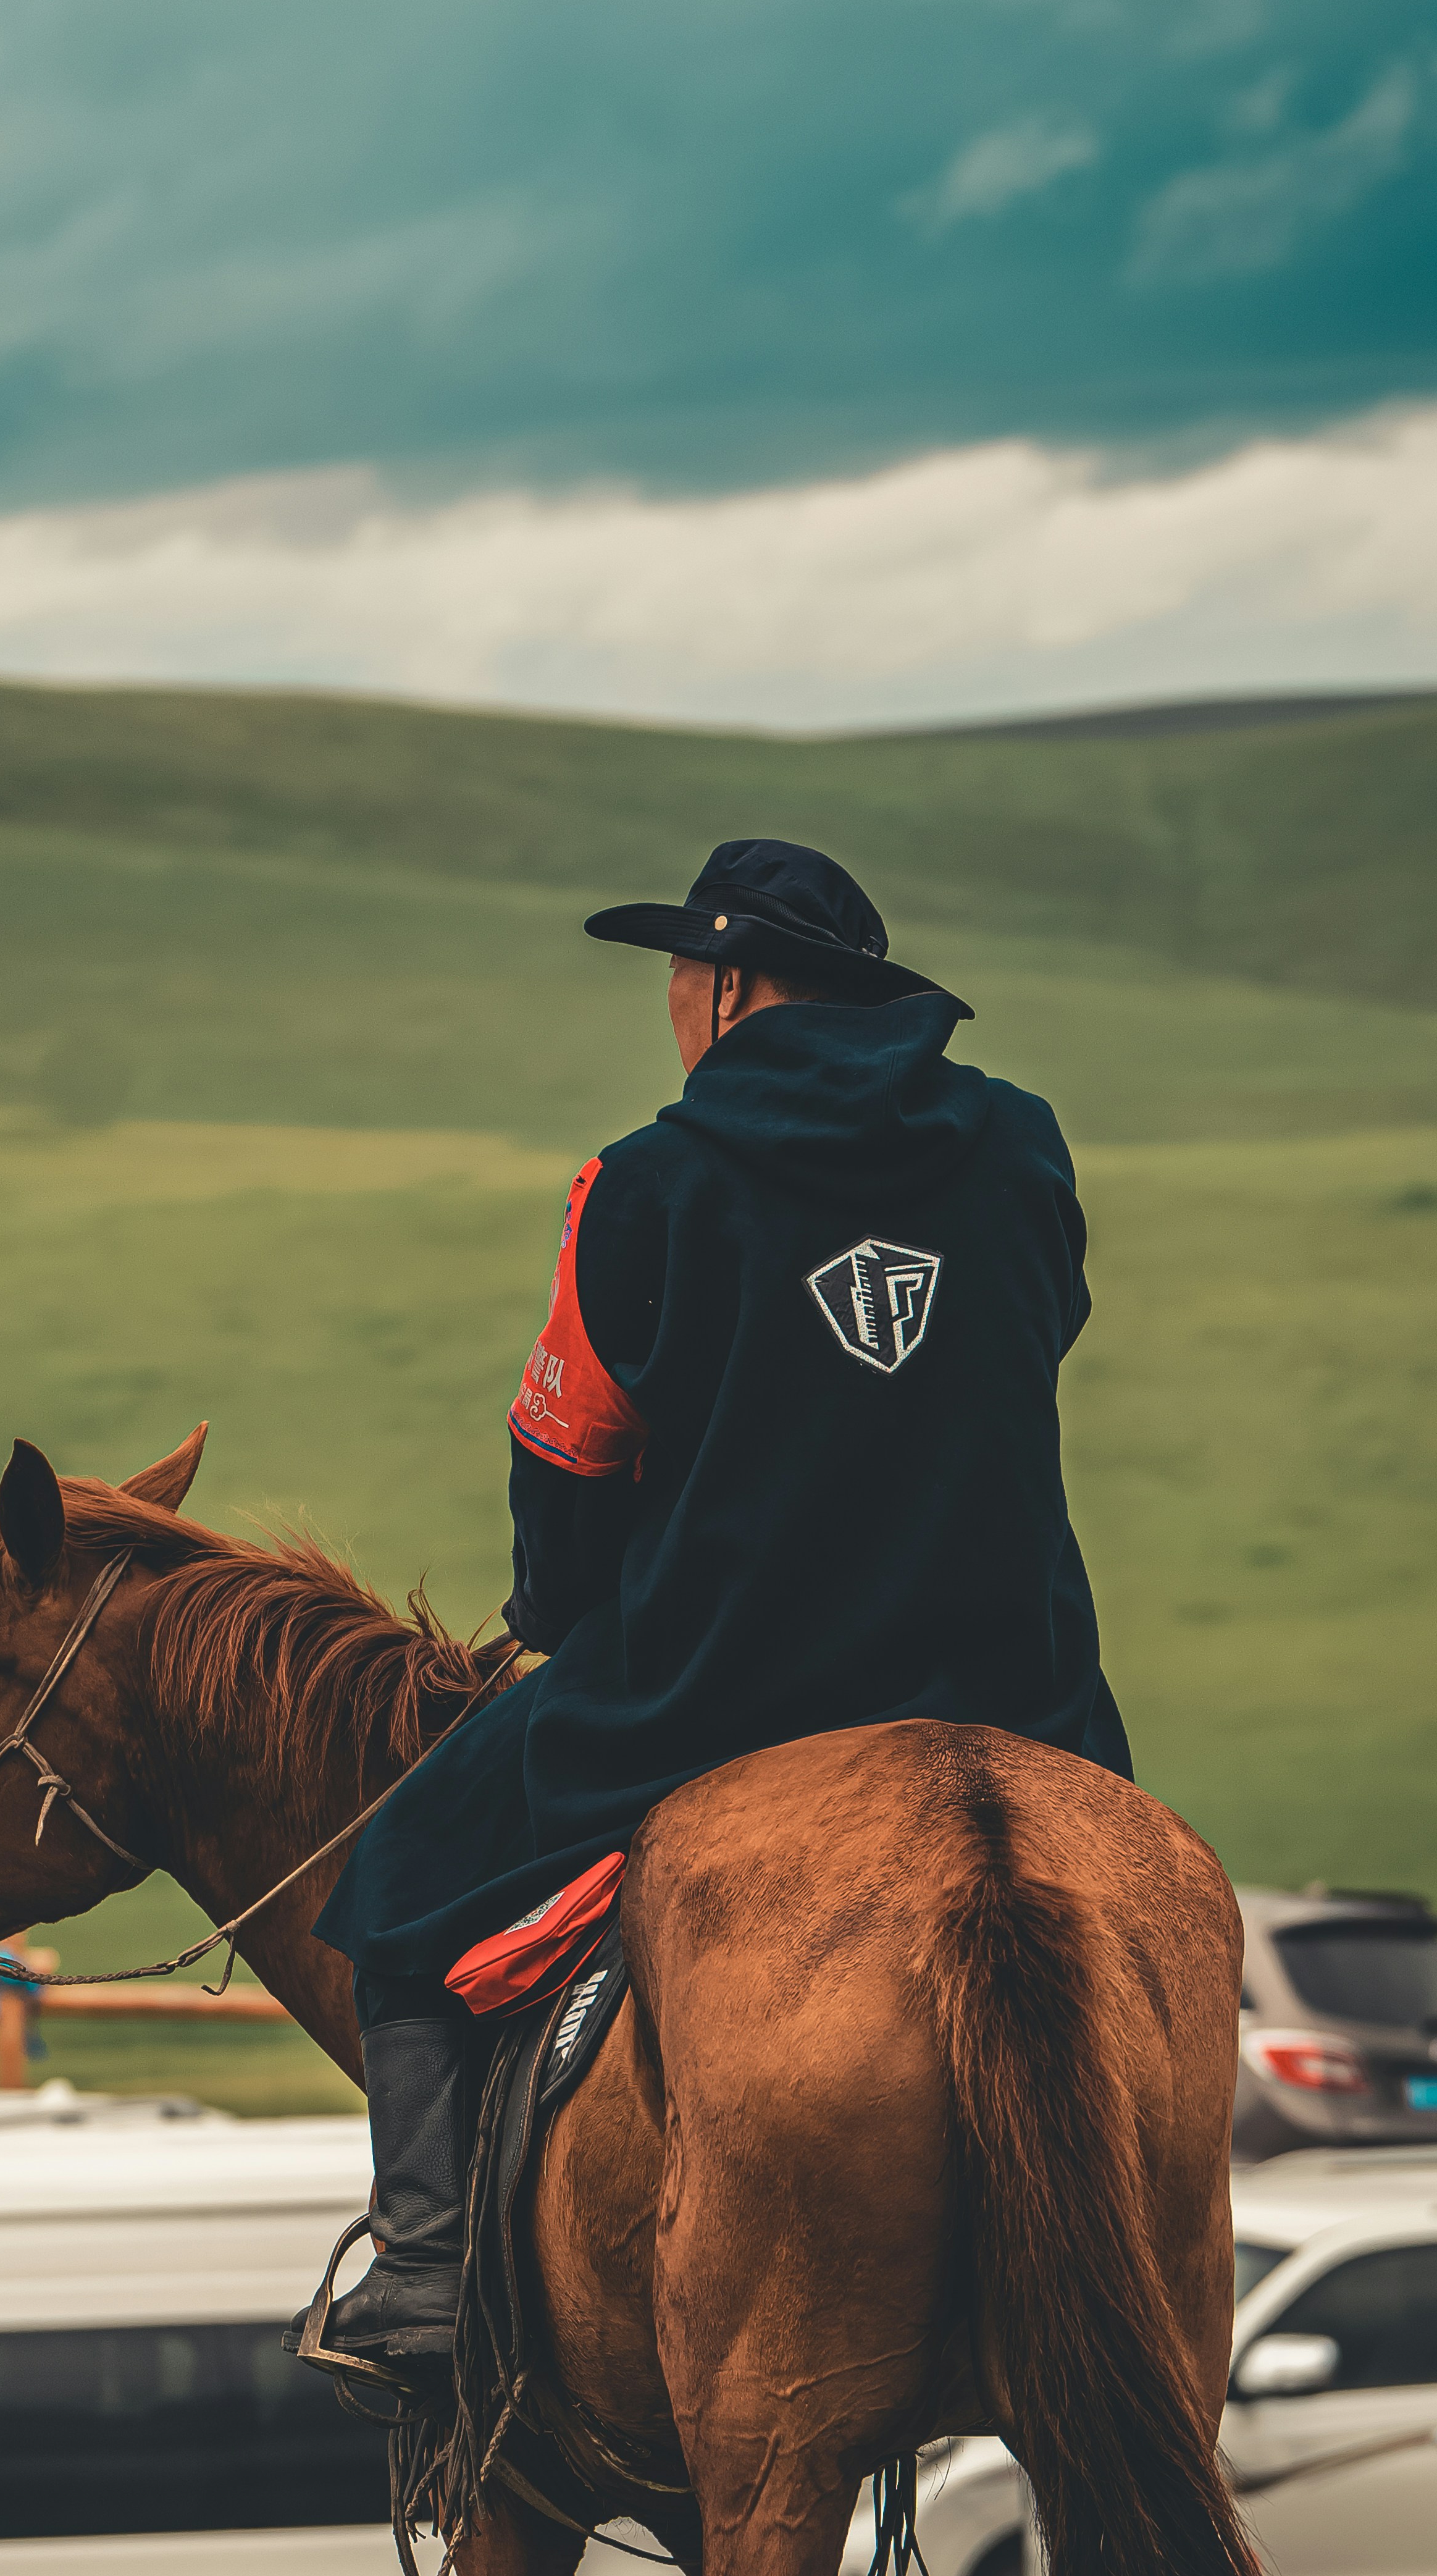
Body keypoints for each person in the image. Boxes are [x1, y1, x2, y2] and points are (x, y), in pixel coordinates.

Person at [309, 835, 1129, 2384]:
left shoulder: (646, 1183)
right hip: (1017, 1690)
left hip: (721, 1687)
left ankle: (423, 2284)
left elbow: (567, 1456)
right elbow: (1026, 1349)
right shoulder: (1024, 1146)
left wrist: (564, 1612)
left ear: (734, 983)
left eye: (679, 977)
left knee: (395, 1883)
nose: (673, 1007)